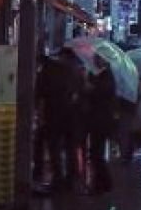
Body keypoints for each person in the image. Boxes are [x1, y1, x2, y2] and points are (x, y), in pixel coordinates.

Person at [37, 48, 83, 192]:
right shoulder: (75, 71)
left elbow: (39, 93)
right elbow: (80, 93)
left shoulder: (48, 70)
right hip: (72, 116)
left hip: (53, 114)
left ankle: (58, 179)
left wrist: (40, 113)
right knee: (71, 147)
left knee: (54, 147)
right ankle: (72, 179)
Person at [82, 55, 118, 193]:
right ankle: (102, 183)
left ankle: (103, 183)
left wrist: (91, 88)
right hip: (98, 120)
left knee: (97, 153)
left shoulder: (107, 77)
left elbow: (101, 93)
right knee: (96, 153)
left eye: (99, 59)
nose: (96, 61)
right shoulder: (99, 76)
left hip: (101, 121)